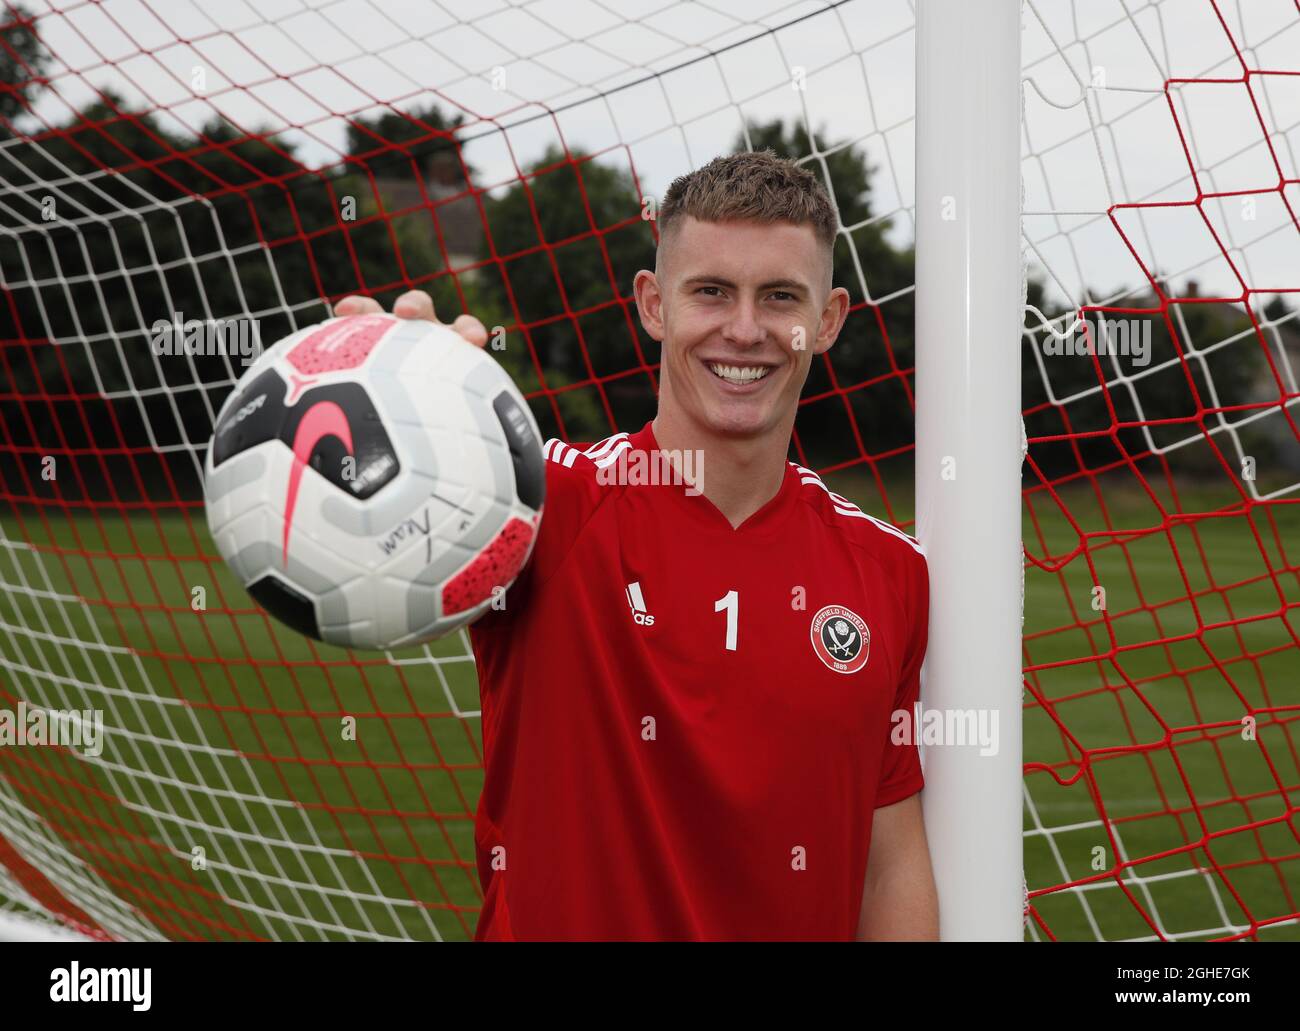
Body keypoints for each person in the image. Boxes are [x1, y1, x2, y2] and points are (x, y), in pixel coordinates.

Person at [337, 150, 938, 941]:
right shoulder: (541, 507)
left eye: (780, 297)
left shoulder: (888, 571)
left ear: (825, 321)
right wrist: (407, 408)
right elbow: (382, 541)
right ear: (655, 304)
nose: (746, 329)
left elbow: (889, 863)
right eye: (713, 291)